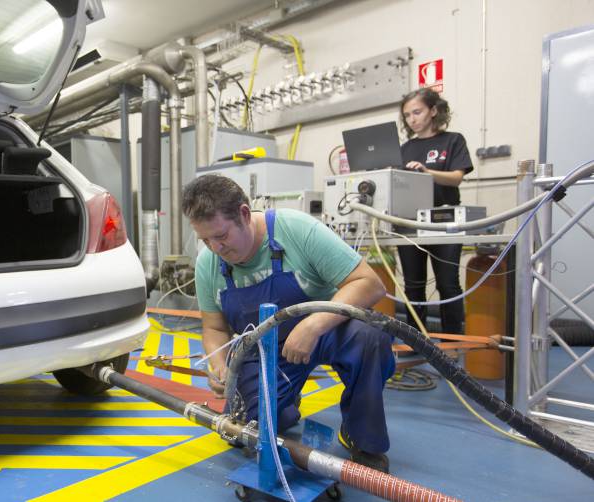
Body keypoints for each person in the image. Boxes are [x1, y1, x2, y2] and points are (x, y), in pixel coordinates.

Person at [183, 174, 396, 472]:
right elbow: (214, 328)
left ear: (244, 214)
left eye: (221, 236)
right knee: (243, 431)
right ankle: (285, 404)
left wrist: (314, 325)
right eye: (205, 239)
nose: (215, 247)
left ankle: (363, 439)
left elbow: (369, 284)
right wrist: (220, 366)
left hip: (326, 331)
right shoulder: (208, 263)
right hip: (265, 350)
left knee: (369, 336)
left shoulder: (295, 229)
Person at [398, 89, 474, 334]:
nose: (412, 119)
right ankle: (415, 339)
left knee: (448, 284)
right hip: (409, 221)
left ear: (433, 111)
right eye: (407, 115)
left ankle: (452, 344)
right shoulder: (405, 149)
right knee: (413, 286)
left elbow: (456, 178)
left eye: (417, 112)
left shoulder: (453, 141)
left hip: (443, 220)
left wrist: (426, 171)